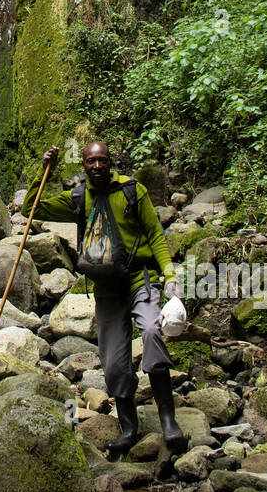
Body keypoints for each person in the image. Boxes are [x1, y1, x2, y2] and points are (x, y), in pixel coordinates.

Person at [22, 141, 188, 459]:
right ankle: (128, 428)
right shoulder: (78, 198)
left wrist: (169, 274)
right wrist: (45, 170)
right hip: (107, 290)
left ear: (110, 162)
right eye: (90, 162)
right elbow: (32, 210)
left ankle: (168, 421)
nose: (96, 166)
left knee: (152, 332)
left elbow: (154, 232)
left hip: (141, 278)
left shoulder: (131, 191)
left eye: (102, 161)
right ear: (83, 166)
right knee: (113, 365)